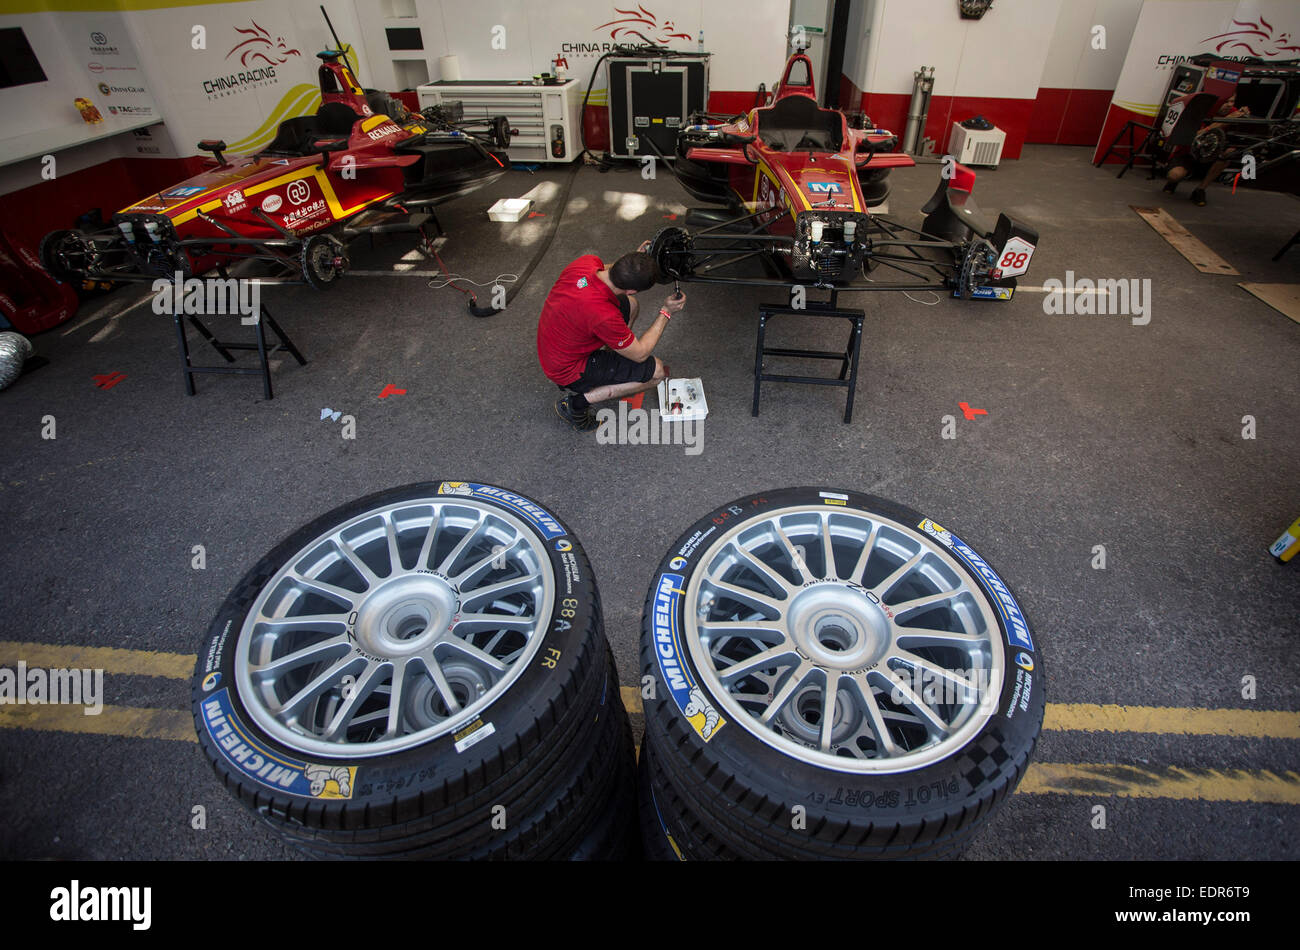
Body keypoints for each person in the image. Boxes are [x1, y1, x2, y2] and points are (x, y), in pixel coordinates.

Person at [536, 244, 686, 431]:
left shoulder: (584, 264)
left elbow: (616, 269)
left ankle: (612, 360)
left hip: (556, 343)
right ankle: (575, 405)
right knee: (657, 372)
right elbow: (640, 354)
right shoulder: (604, 315)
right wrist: (666, 312)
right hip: (567, 369)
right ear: (631, 289)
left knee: (630, 306)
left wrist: (635, 260)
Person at [1163, 98, 1250, 207]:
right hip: (1189, 152)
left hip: (1212, 153)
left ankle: (1200, 189)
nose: (1229, 105)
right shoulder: (1201, 110)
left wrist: (1245, 116)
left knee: (1230, 152)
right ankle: (1173, 182)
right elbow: (1194, 135)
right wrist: (1224, 121)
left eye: (1232, 101)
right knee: (1174, 175)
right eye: (1226, 101)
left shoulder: (1233, 112)